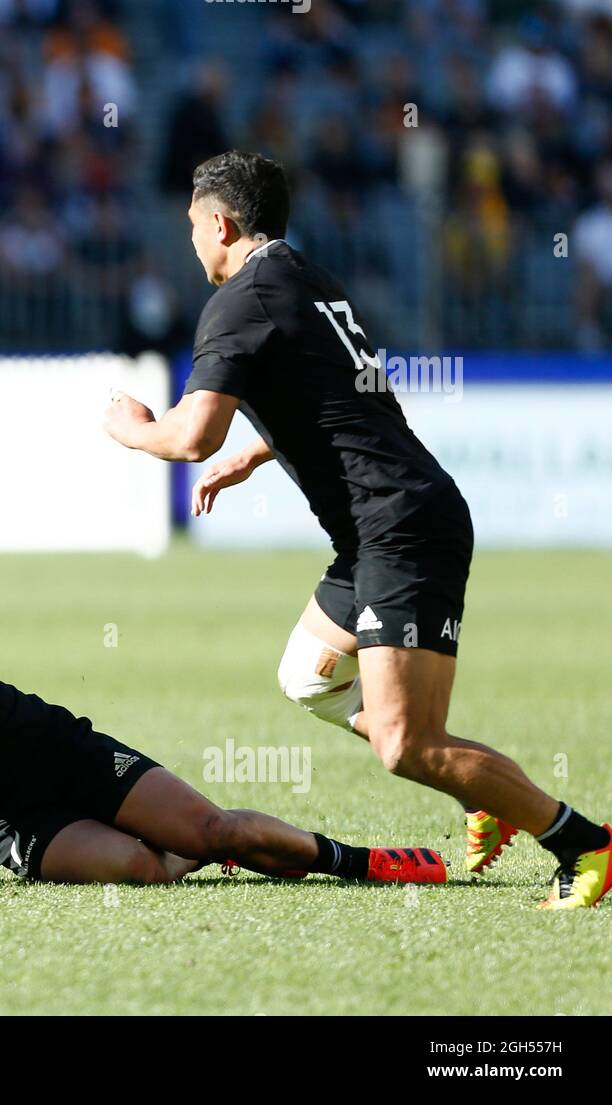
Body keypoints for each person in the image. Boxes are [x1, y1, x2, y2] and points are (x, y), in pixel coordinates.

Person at [104, 151, 610, 909]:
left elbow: (189, 436)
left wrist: (132, 429)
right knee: (308, 674)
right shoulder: (307, 278)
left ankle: (585, 842)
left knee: (408, 745)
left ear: (221, 222)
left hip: (400, 525)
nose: (191, 242)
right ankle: (480, 793)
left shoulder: (240, 300)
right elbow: (340, 396)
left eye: (191, 227)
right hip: (385, 525)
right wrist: (257, 450)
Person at [0, 532, 446, 888]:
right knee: (142, 869)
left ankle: (366, 862)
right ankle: (192, 853)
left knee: (214, 826)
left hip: (49, 748)